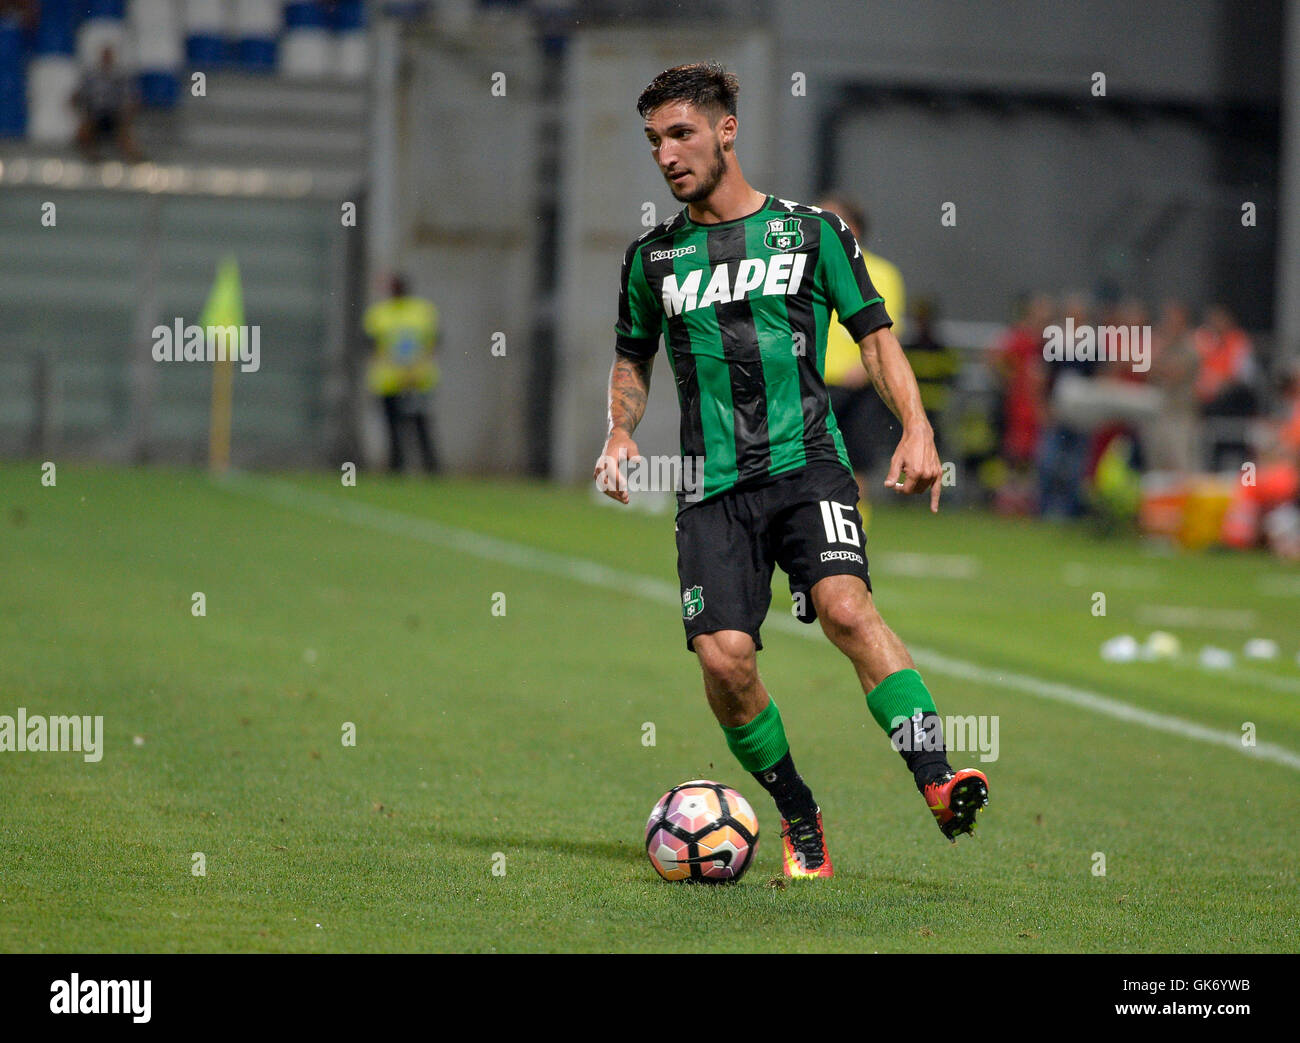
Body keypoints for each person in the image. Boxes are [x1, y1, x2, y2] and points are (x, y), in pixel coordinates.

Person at [593, 62, 988, 880]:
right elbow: (631, 359)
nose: (666, 155)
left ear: (726, 130)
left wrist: (916, 424)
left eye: (680, 133)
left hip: (807, 464)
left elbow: (875, 335)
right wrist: (618, 430)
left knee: (846, 608)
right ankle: (799, 816)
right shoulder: (652, 259)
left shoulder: (811, 233)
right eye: (653, 141)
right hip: (711, 489)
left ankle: (938, 779)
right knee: (724, 658)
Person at [816, 193, 906, 508]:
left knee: (855, 467)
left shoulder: (881, 272)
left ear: (852, 227)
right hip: (810, 384)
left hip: (858, 389)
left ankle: (854, 535)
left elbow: (886, 331)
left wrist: (864, 369)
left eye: (829, 219)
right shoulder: (804, 268)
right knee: (806, 466)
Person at [363, 274, 439, 474]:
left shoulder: (421, 311)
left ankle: (431, 468)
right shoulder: (380, 313)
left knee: (420, 427)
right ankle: (397, 468)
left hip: (416, 381)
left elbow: (434, 342)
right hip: (390, 382)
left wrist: (414, 369)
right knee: (393, 428)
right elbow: (370, 346)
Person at [72, 45, 143, 163]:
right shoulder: (91, 77)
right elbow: (78, 95)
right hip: (96, 114)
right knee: (84, 131)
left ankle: (135, 159)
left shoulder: (120, 77)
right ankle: (91, 158)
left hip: (114, 114)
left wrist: (127, 115)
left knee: (124, 132)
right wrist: (81, 112)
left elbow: (131, 98)